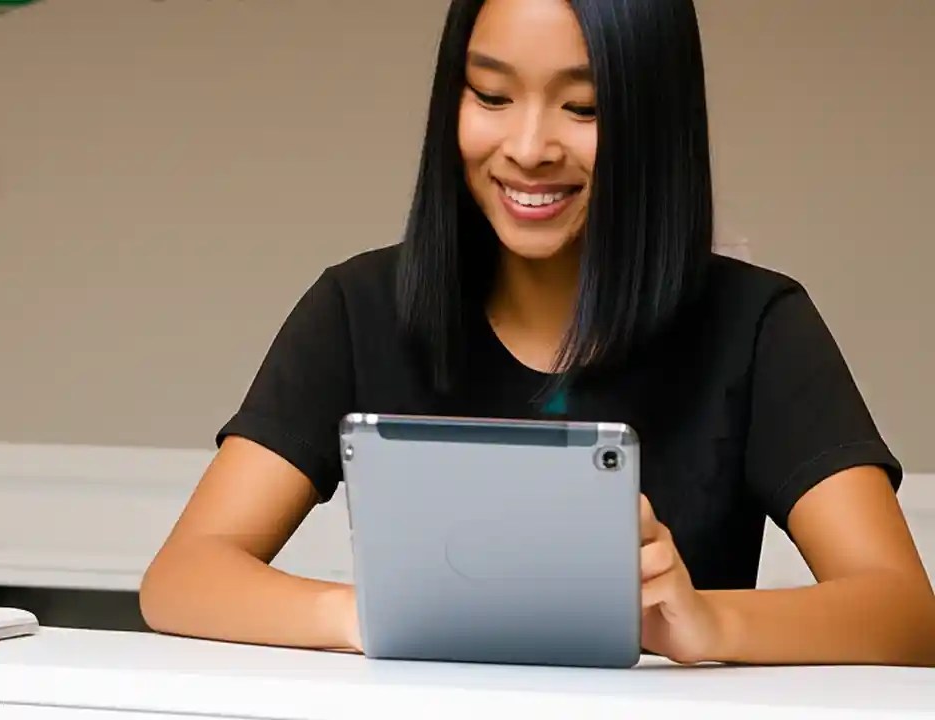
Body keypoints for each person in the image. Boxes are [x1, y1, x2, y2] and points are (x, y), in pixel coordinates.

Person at [138, 0, 935, 666]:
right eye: (489, 96)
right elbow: (183, 575)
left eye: (583, 107)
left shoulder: (758, 326)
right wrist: (375, 619)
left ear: (657, 121)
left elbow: (906, 614)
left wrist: (705, 624)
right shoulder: (358, 307)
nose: (527, 149)